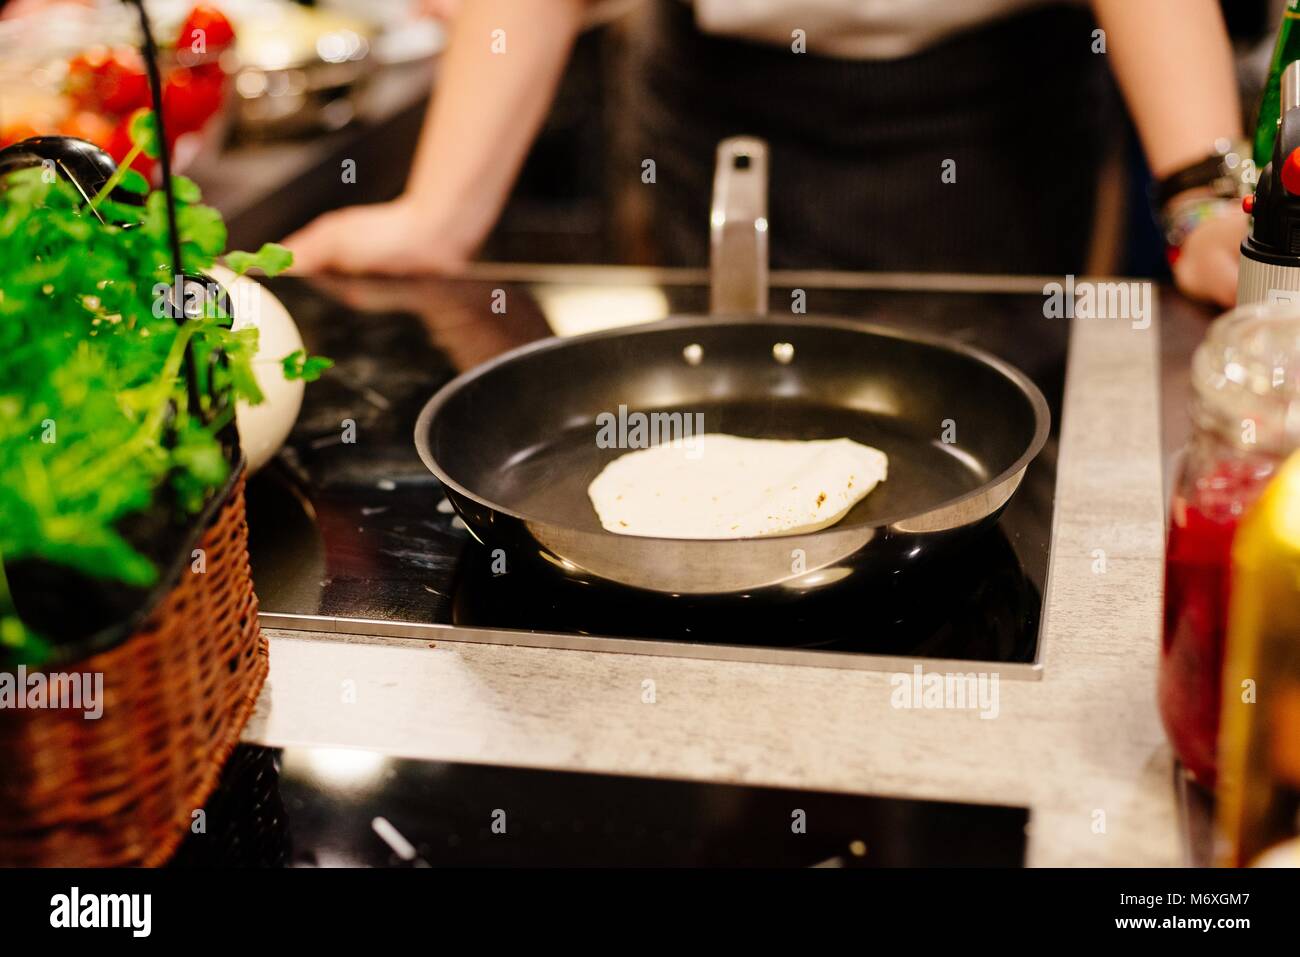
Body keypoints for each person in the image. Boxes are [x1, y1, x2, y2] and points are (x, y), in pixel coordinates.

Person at [285, 0, 1249, 307]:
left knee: (993, 452)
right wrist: (440, 211)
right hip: (721, 94)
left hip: (991, 107)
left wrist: (1203, 197)